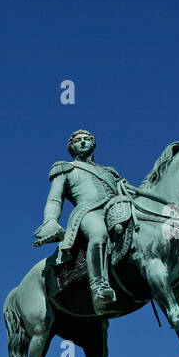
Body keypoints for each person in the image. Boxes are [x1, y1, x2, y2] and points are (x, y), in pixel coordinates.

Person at [33, 129, 129, 314]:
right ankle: (99, 288)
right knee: (98, 234)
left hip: (116, 209)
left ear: (93, 144)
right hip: (89, 211)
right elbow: (55, 199)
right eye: (78, 140)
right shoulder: (65, 168)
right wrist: (51, 221)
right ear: (72, 147)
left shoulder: (109, 172)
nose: (83, 142)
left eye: (87, 139)